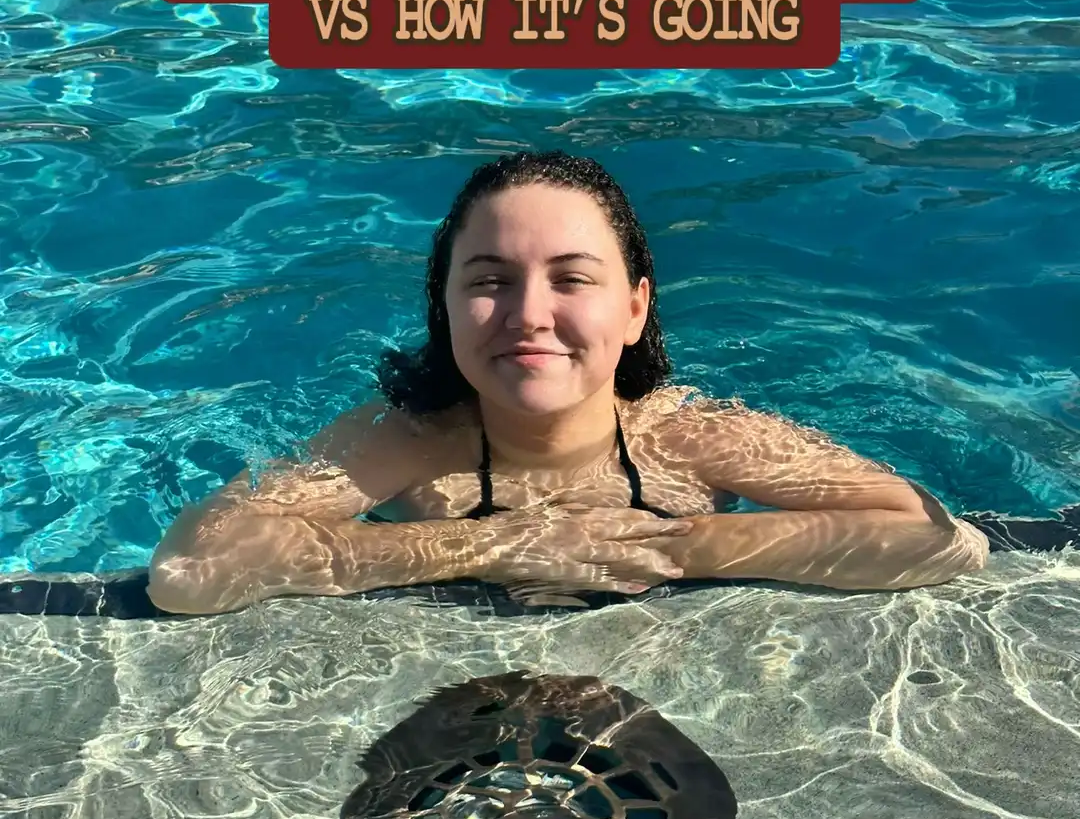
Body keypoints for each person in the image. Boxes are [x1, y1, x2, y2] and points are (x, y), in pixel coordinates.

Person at [147, 150, 995, 617]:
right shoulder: (406, 438)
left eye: (571, 278)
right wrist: (484, 547)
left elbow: (940, 538)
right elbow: (190, 569)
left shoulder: (689, 434)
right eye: (488, 281)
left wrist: (671, 546)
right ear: (443, 310)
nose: (528, 314)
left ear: (633, 309)